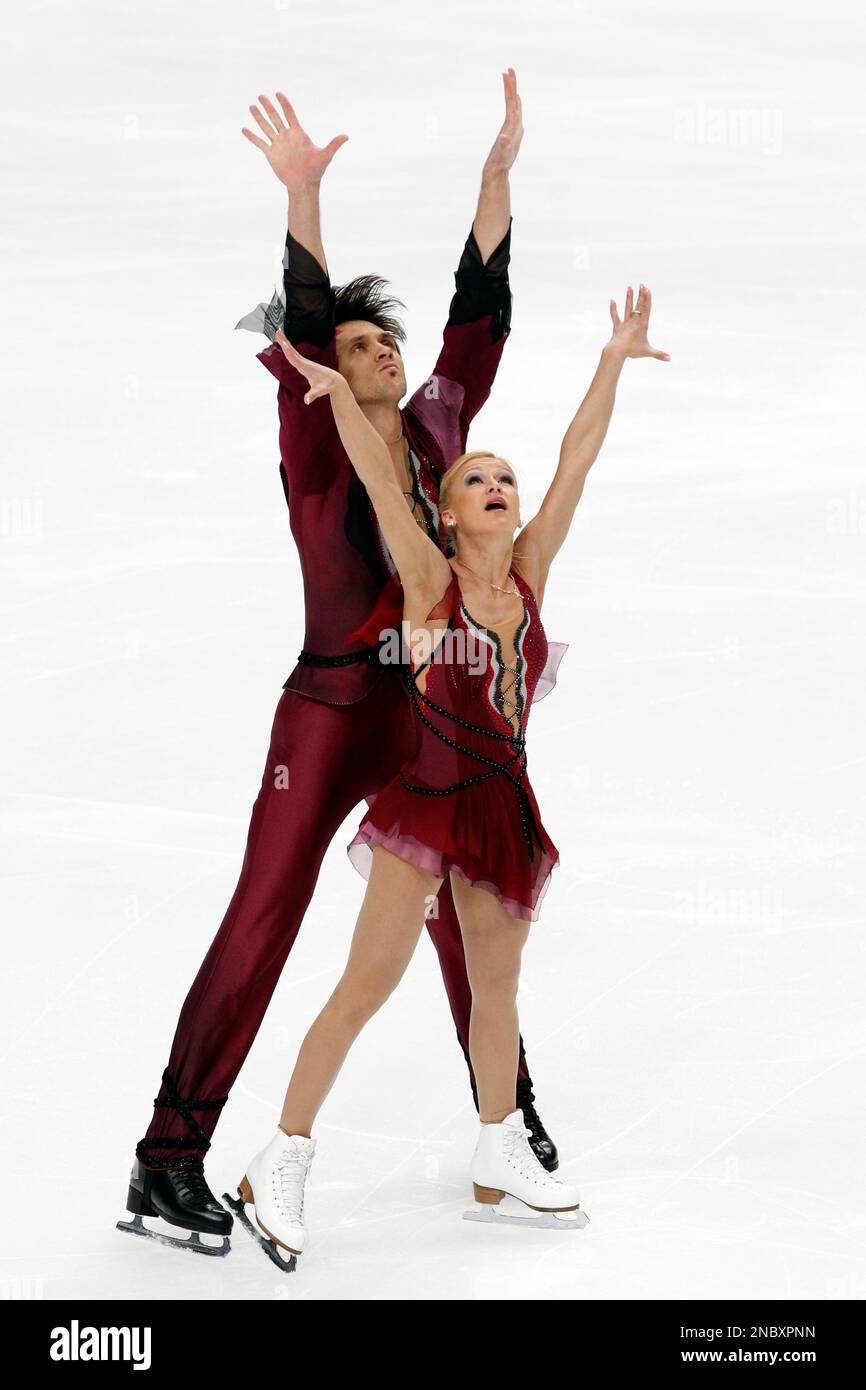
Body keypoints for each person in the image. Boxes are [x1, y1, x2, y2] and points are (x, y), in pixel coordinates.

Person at [118, 73, 562, 1258]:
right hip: (326, 711)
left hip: (424, 715)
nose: (370, 355)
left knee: (468, 915)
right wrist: (305, 204)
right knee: (265, 913)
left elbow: (479, 318)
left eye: (383, 347)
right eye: (351, 344)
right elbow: (308, 323)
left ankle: (501, 1114)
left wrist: (495, 176)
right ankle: (169, 1160)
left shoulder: (434, 430)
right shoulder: (317, 434)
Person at [224, 285, 670, 1267]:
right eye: (476, 478)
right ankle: (278, 1156)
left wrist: (609, 363)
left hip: (502, 805)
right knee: (367, 982)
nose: (499, 485)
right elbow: (382, 483)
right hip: (424, 806)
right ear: (449, 508)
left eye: (503, 477)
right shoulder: (426, 581)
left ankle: (497, 1148)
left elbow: (577, 456)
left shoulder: (529, 571)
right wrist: (325, 385)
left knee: (497, 991)